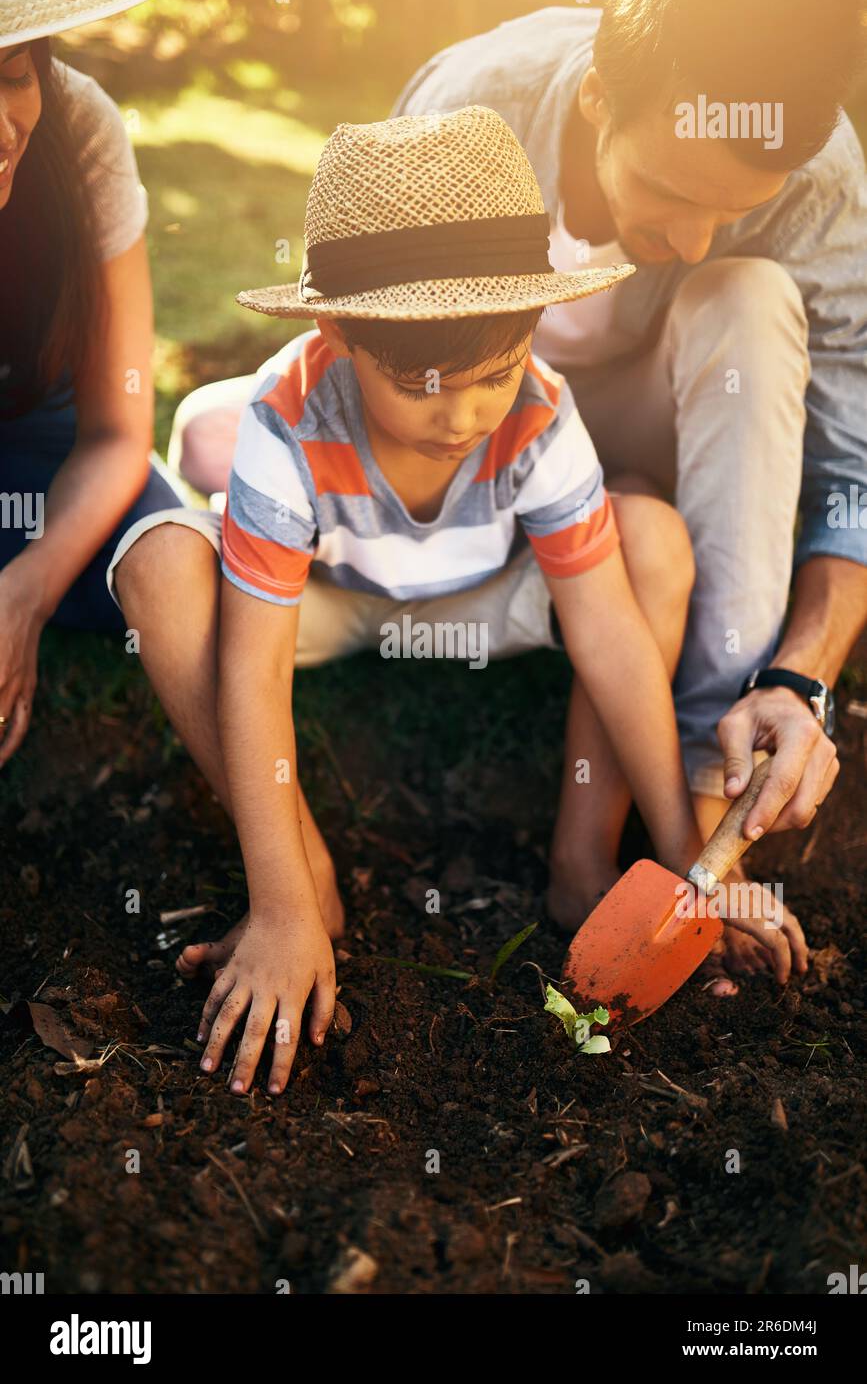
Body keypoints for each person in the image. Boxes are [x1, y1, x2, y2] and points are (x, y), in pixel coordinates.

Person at [108, 107, 798, 1096]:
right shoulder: (285, 425)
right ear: (337, 331)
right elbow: (255, 667)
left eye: (493, 375)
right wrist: (281, 905)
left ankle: (582, 865)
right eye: (421, 387)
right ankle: (305, 896)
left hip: (486, 598)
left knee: (648, 537)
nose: (464, 415)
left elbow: (605, 628)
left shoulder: (541, 412)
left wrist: (699, 865)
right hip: (324, 600)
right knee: (158, 561)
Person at [389, 0, 867, 983]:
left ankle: (702, 822)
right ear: (601, 97)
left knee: (747, 295)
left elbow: (853, 468)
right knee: (634, 529)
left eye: (729, 211)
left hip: (662, 421)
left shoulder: (815, 173)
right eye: (671, 190)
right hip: (482, 443)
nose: (695, 236)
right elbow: (380, 368)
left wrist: (800, 676)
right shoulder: (469, 113)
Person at [0, 0, 182, 770]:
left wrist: (26, 595)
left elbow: (116, 436)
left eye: (13, 74)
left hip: (46, 436)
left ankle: (292, 879)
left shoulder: (81, 128)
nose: (4, 129)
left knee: (171, 558)